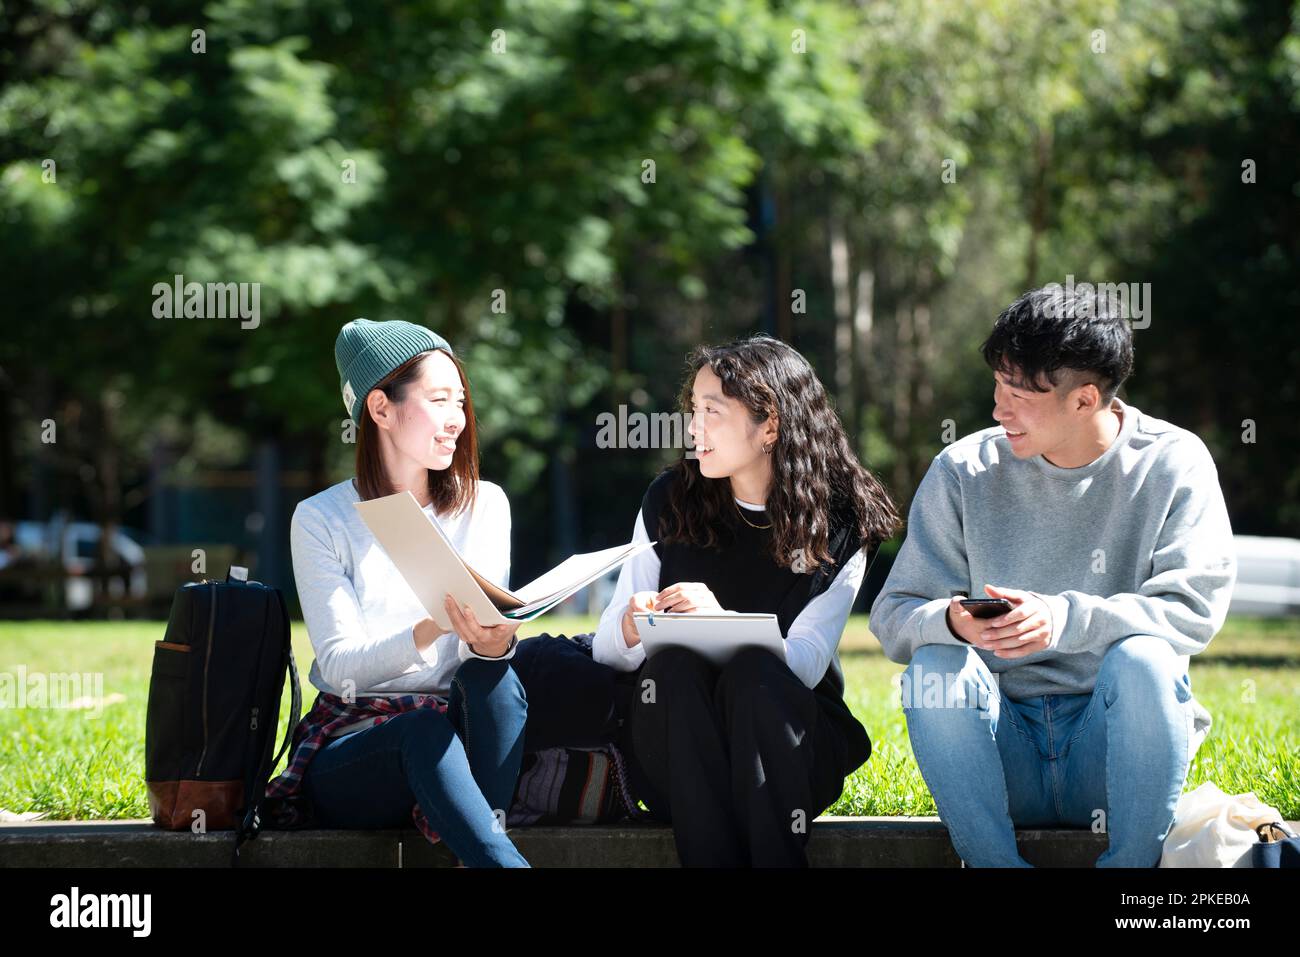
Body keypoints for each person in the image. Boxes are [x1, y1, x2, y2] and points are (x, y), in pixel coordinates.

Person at [870, 285, 1237, 867]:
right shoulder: (963, 470)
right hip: (999, 756)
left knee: (1147, 659)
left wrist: (1063, 619)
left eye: (1018, 394)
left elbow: (1191, 610)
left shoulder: (1174, 462)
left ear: (1085, 400)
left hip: (1114, 763)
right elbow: (893, 615)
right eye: (997, 386)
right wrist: (950, 622)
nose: (997, 410)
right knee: (934, 664)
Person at [592, 334, 901, 866]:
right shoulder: (669, 501)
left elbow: (804, 663)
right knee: (673, 667)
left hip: (783, 748)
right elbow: (604, 650)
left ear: (771, 425)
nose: (694, 428)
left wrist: (723, 622)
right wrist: (632, 625)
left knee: (756, 673)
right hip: (680, 747)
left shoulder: (843, 520)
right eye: (693, 410)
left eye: (712, 412)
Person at [264, 318, 529, 867]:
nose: (457, 419)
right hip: (363, 743)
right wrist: (430, 627)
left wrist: (491, 642)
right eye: (438, 400)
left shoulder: (487, 504)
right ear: (380, 409)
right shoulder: (321, 518)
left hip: (460, 736)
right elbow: (339, 668)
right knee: (420, 730)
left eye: (460, 401)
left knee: (498, 684)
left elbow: (477, 669)